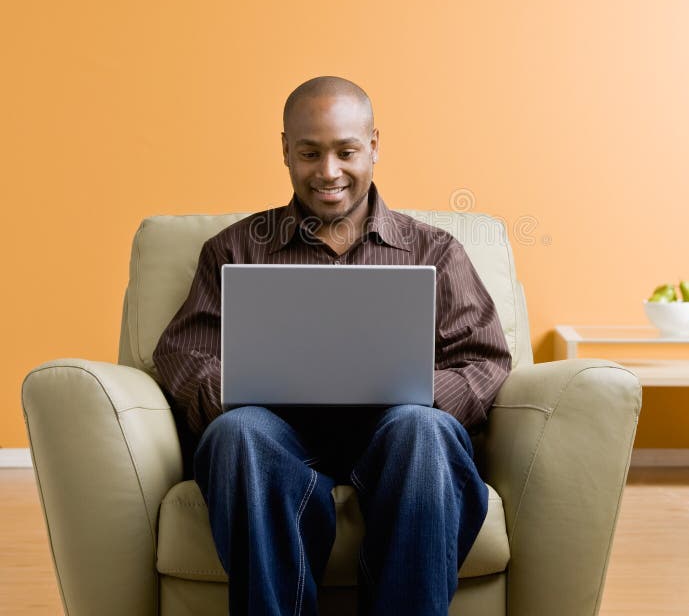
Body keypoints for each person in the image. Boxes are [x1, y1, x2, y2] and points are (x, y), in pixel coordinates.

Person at [153, 76, 512, 616]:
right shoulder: (234, 249)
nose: (328, 172)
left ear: (373, 146)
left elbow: (485, 359)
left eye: (346, 151)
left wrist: (418, 388)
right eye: (309, 153)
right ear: (284, 151)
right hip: (279, 438)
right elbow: (183, 353)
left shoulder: (435, 251)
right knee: (239, 432)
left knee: (424, 429)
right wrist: (238, 384)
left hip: (397, 439)